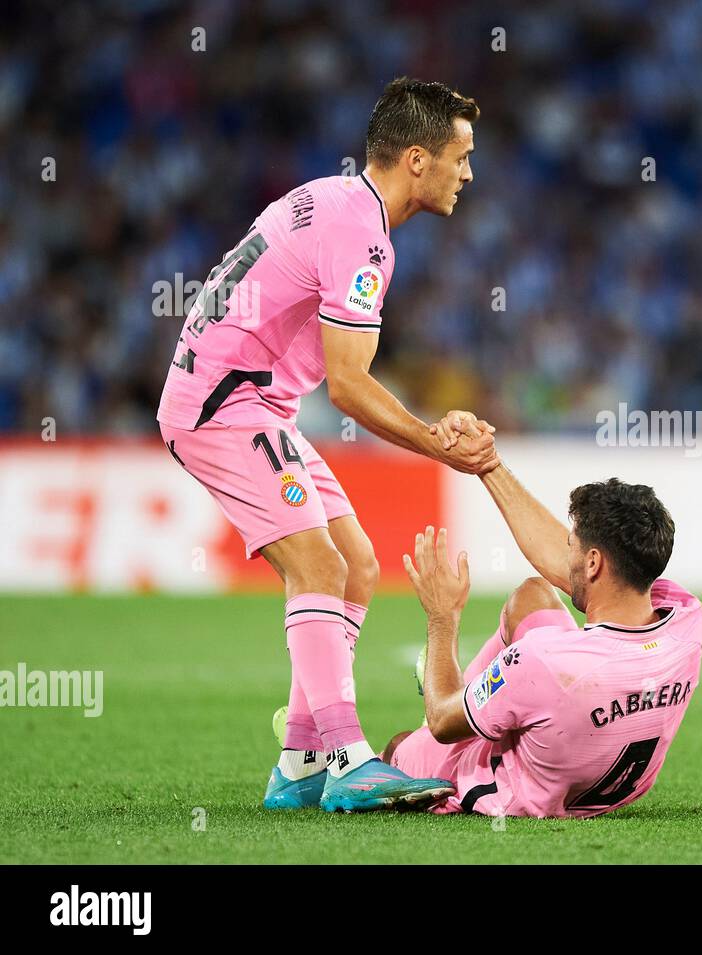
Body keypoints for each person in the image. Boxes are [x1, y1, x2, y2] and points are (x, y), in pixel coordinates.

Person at [156, 78, 500, 812]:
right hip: (225, 402)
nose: (468, 172)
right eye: (460, 156)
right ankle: (348, 760)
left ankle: (298, 767)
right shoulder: (362, 234)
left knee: (358, 567)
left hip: (252, 400)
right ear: (417, 159)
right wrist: (439, 443)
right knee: (316, 562)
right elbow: (346, 386)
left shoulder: (332, 198)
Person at [385, 414, 702, 817]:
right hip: (591, 756)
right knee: (533, 595)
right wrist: (488, 464)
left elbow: (442, 724)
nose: (564, 555)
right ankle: (474, 693)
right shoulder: (688, 620)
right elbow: (569, 566)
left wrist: (442, 617)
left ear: (592, 562)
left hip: (513, 779)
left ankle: (445, 693)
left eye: (572, 546)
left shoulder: (543, 659)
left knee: (402, 744)